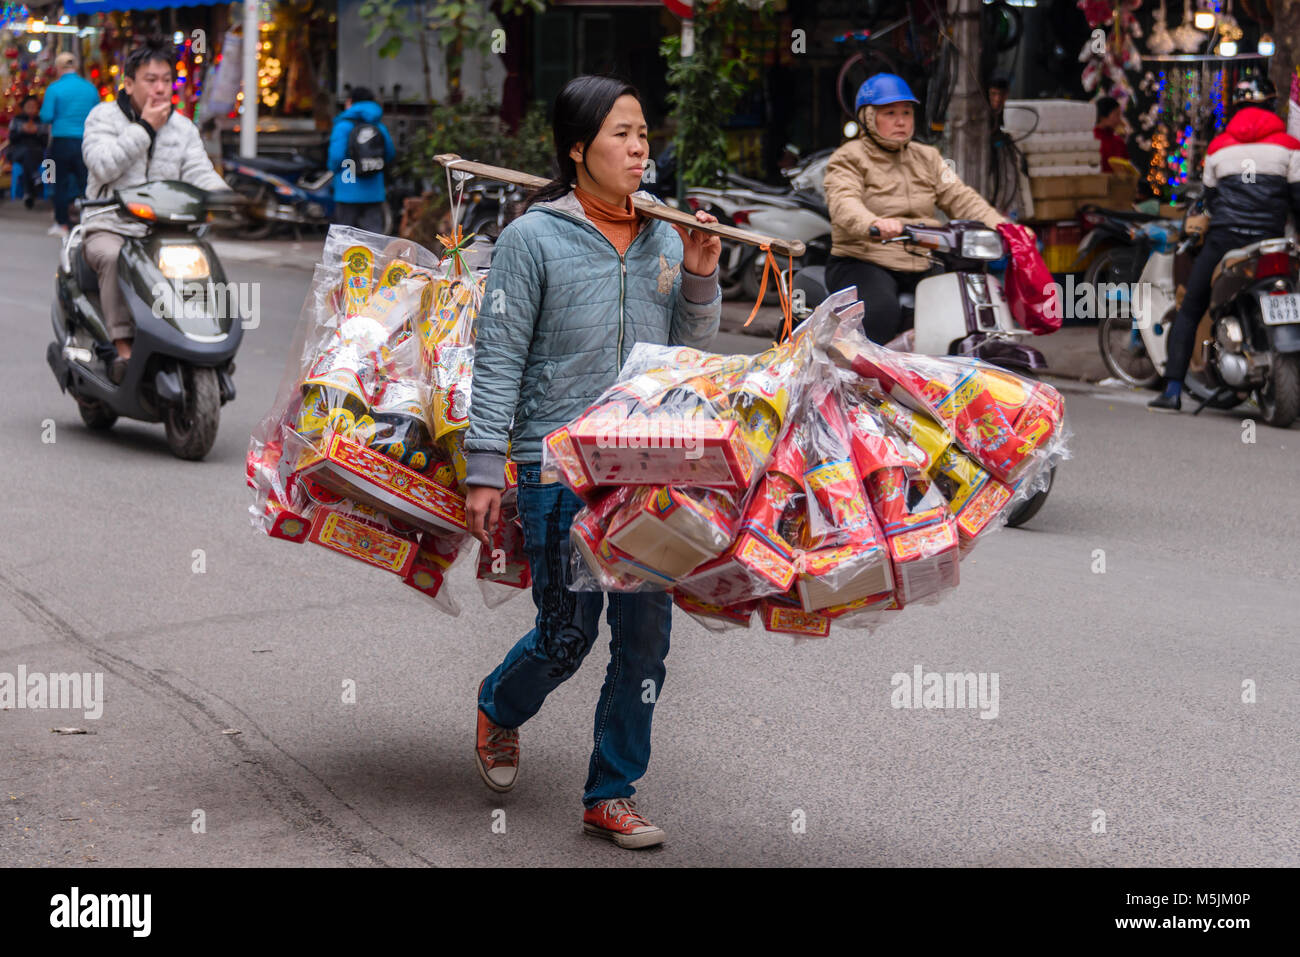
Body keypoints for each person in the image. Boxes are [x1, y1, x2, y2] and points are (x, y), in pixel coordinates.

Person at [463, 74, 721, 850]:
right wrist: (486, 467)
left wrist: (701, 275)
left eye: (644, 133)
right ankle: (501, 707)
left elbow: (689, 355)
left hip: (645, 468)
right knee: (566, 632)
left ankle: (612, 790)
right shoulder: (531, 239)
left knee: (644, 639)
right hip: (555, 467)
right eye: (621, 134)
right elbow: (500, 355)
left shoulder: (667, 237)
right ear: (578, 149)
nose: (640, 149)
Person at [1149, 76, 1300, 412]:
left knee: (1190, 309)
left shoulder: (1219, 147)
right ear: (1270, 104)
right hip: (1271, 242)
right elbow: (1297, 199)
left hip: (1225, 243)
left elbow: (1210, 200)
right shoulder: (1290, 146)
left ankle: (1172, 390)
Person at [824, 73, 1008, 344]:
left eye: (907, 113)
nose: (901, 121)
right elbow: (844, 202)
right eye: (890, 113)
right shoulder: (848, 157)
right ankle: (859, 384)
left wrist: (1002, 226)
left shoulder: (928, 157)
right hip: (864, 258)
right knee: (879, 314)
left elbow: (960, 197)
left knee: (960, 311)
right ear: (867, 118)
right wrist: (873, 223)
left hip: (923, 258)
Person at [82, 45, 228, 384]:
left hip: (167, 229)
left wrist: (228, 199)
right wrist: (145, 128)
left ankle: (204, 337)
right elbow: (103, 165)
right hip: (111, 225)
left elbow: (199, 172)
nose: (161, 88)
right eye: (151, 80)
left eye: (166, 80)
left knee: (202, 260)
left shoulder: (182, 128)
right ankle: (122, 346)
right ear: (129, 84)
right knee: (114, 256)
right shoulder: (102, 118)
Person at [40, 52, 100, 235]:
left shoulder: (54, 88)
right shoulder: (90, 88)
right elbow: (97, 114)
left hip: (61, 141)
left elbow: (46, 116)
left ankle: (62, 223)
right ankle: (87, 222)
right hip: (86, 142)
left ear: (58, 68)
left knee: (58, 182)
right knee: (87, 184)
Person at [327, 86, 395, 233]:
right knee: (373, 239)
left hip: (347, 186)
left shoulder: (343, 125)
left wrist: (334, 169)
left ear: (350, 102)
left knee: (345, 238)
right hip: (374, 190)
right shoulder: (378, 125)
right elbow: (389, 153)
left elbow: (336, 157)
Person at [7, 95, 48, 210]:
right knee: (26, 152)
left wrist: (36, 131)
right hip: (18, 152)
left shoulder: (41, 121)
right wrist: (22, 130)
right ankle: (35, 177)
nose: (30, 109)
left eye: (33, 106)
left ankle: (27, 193)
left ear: (37, 108)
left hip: (36, 153)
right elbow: (12, 139)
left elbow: (45, 142)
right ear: (23, 108)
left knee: (28, 156)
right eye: (28, 106)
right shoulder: (17, 120)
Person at [1093, 96, 1131, 174]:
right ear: (1103, 116)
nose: (1119, 120)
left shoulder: (1118, 142)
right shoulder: (1090, 138)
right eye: (1116, 115)